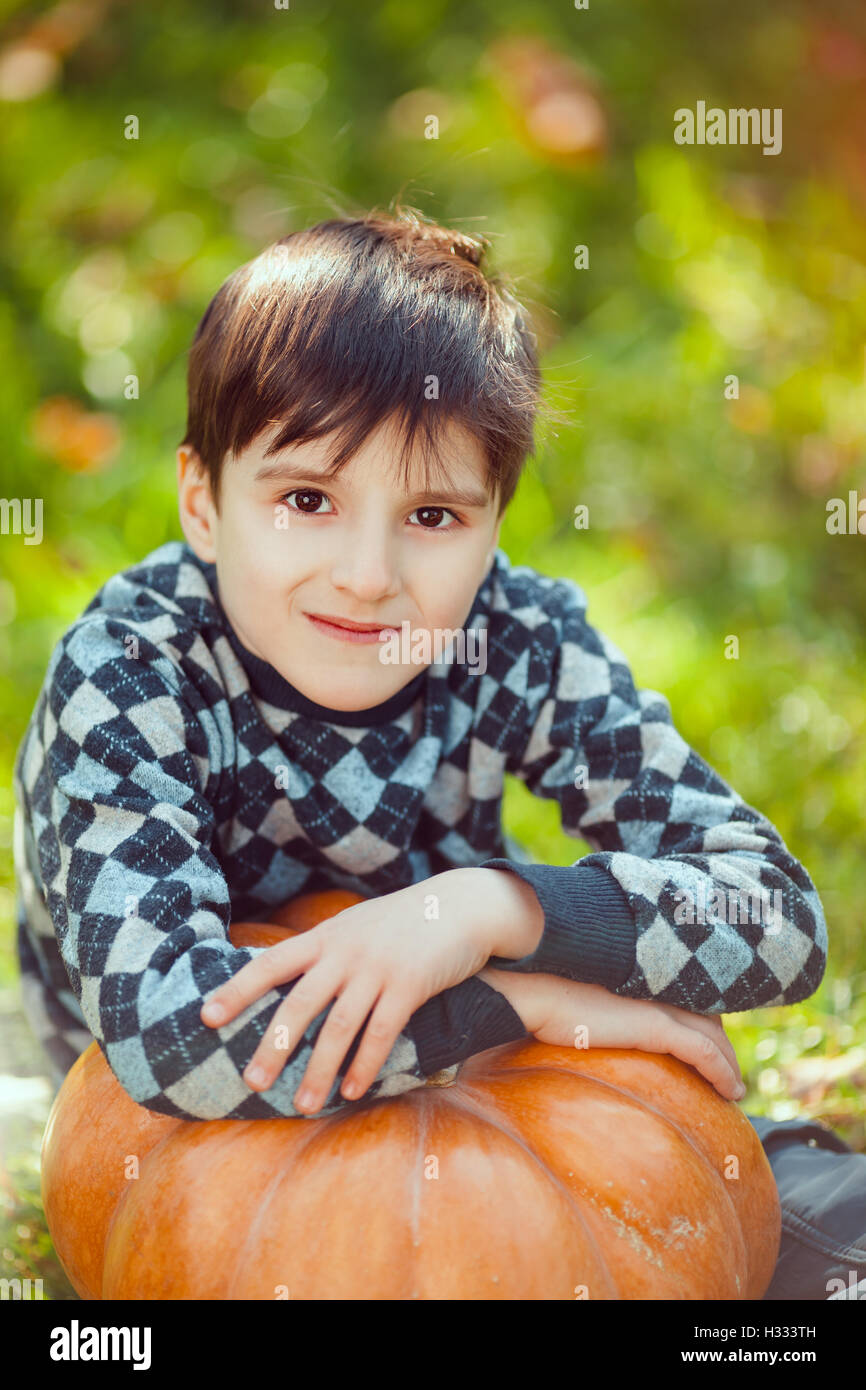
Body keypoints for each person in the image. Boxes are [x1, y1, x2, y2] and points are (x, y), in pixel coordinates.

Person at [12, 208, 865, 1299]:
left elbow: (775, 918)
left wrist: (492, 912)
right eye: (307, 500)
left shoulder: (510, 638)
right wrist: (520, 1001)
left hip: (466, 1060)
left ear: (495, 523)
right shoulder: (132, 675)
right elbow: (175, 1037)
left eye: (430, 514)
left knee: (742, 1206)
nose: (366, 574)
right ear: (203, 502)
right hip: (207, 1115)